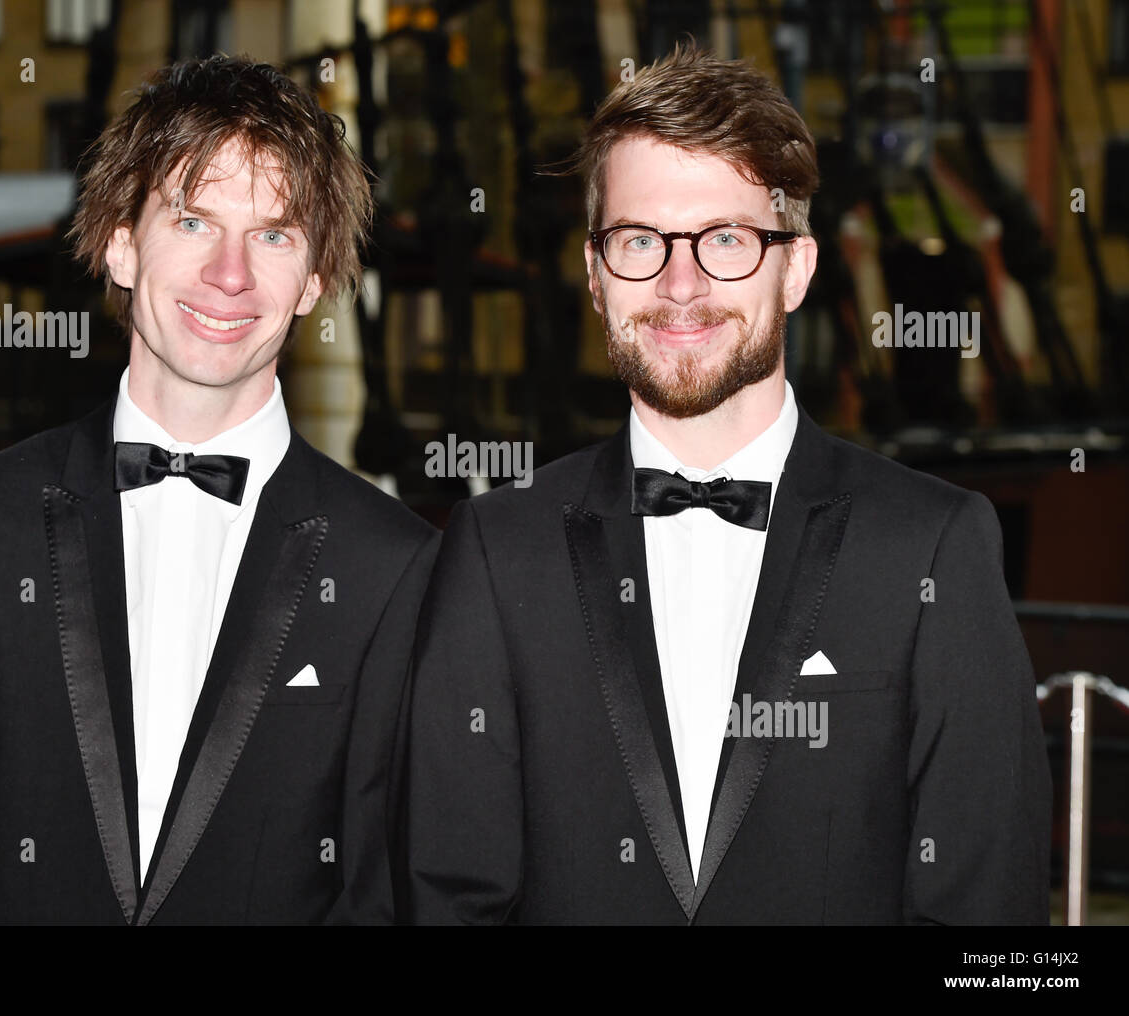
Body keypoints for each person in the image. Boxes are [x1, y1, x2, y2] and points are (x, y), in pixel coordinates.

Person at [403, 43, 1051, 924]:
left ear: (797, 268)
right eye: (640, 240)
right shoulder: (493, 548)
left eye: (728, 241)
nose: (681, 284)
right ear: (594, 276)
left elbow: (988, 926)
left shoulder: (933, 544)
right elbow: (450, 899)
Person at [0, 55, 437, 925]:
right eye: (193, 220)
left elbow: (377, 897)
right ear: (121, 243)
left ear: (315, 277)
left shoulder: (394, 564)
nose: (231, 273)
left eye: (276, 234)